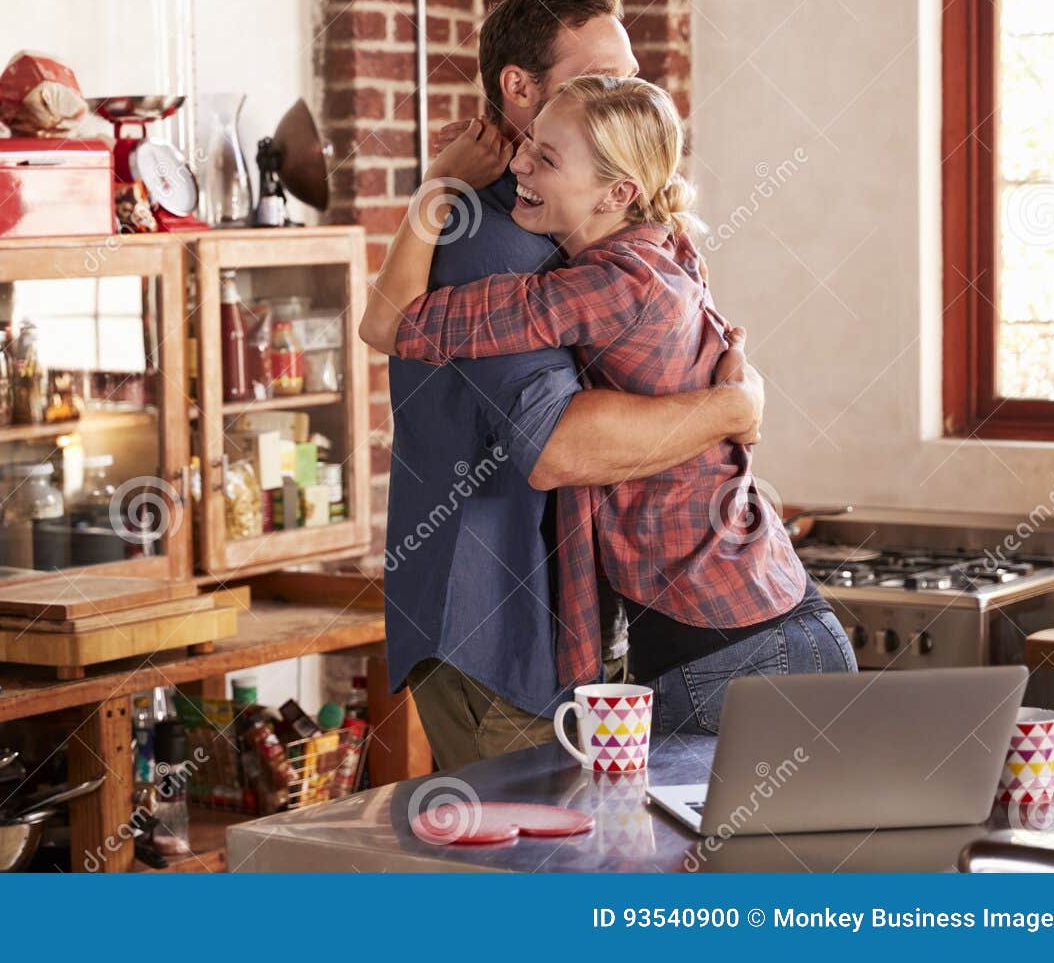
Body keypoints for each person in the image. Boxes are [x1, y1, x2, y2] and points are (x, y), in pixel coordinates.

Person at [363, 74, 855, 739]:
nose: (519, 164)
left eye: (547, 157)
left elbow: (392, 323)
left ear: (618, 191)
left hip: (729, 654)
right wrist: (734, 406)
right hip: (775, 627)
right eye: (526, 144)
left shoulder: (604, 286)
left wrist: (440, 184)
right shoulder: (667, 248)